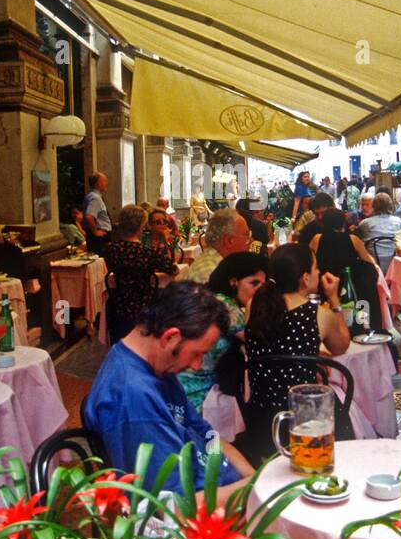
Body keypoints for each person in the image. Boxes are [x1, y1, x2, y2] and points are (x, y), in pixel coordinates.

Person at [83, 282, 255, 501]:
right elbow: (171, 509)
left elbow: (207, 435)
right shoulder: (133, 398)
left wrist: (250, 477)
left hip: (227, 491)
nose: (196, 365)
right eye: (196, 353)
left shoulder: (158, 369)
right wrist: (252, 488)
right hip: (198, 521)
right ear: (170, 337)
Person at [241, 244, 351, 464]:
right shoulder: (319, 315)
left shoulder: (255, 305)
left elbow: (275, 342)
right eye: (316, 268)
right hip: (304, 416)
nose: (319, 273)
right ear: (304, 278)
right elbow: (341, 346)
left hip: (259, 414)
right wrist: (335, 299)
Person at [176, 252, 269, 414]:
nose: (261, 290)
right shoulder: (225, 305)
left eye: (263, 284)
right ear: (234, 282)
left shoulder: (214, 298)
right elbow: (258, 340)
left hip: (186, 383)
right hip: (196, 391)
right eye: (254, 283)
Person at [104, 205, 179, 344]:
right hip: (144, 306)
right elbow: (173, 269)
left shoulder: (111, 249)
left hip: (118, 306)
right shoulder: (147, 253)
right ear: (141, 226)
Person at [311, 208, 381, 328]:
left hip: (325, 287)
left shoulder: (317, 239)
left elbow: (309, 262)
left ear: (324, 222)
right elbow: (369, 263)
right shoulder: (353, 239)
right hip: (350, 288)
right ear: (343, 223)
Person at [185, 208, 252, 284]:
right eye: (246, 235)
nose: (250, 241)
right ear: (229, 241)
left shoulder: (223, 265)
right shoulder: (209, 274)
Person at [357, 191, 401, 272]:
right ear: (390, 205)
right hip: (393, 266)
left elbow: (360, 245)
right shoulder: (398, 222)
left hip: (373, 267)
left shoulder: (365, 223)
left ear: (373, 206)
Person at [83, 172, 112, 254]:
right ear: (98, 183)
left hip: (94, 235)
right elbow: (89, 216)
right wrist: (96, 231)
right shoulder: (95, 198)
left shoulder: (91, 196)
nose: (106, 183)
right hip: (99, 237)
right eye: (104, 181)